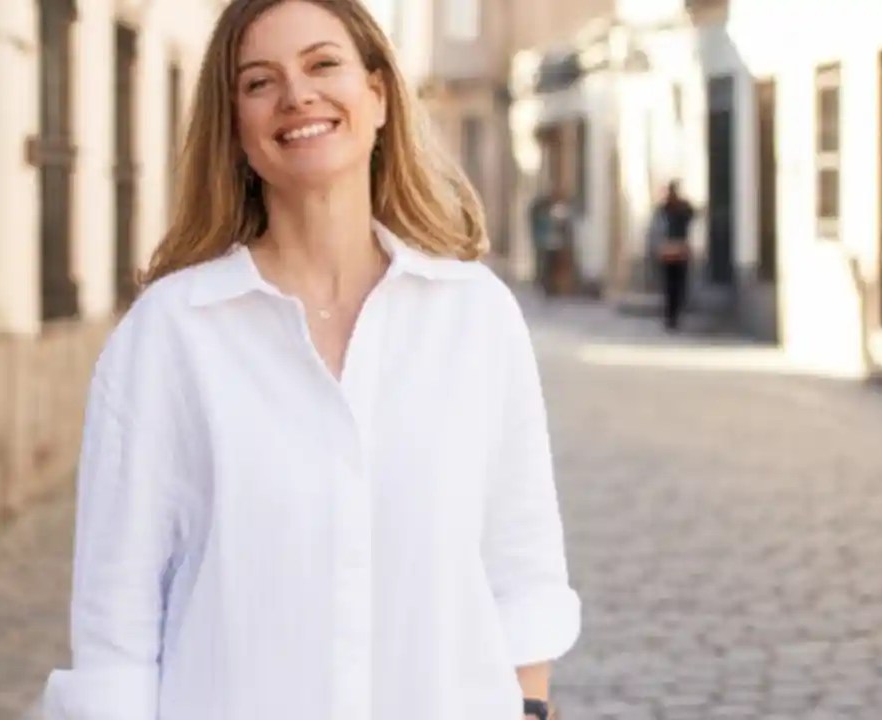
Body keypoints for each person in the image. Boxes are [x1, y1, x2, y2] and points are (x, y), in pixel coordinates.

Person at [43, 2, 580, 719]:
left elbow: (523, 568)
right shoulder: (171, 336)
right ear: (234, 128)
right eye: (259, 82)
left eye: (324, 64)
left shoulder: (475, 316)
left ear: (380, 96)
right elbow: (116, 624)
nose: (298, 95)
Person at [656, 180, 696, 331]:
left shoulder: (668, 208)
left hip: (673, 251)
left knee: (673, 286)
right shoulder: (677, 207)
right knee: (675, 286)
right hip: (675, 251)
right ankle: (672, 316)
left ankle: (672, 316)